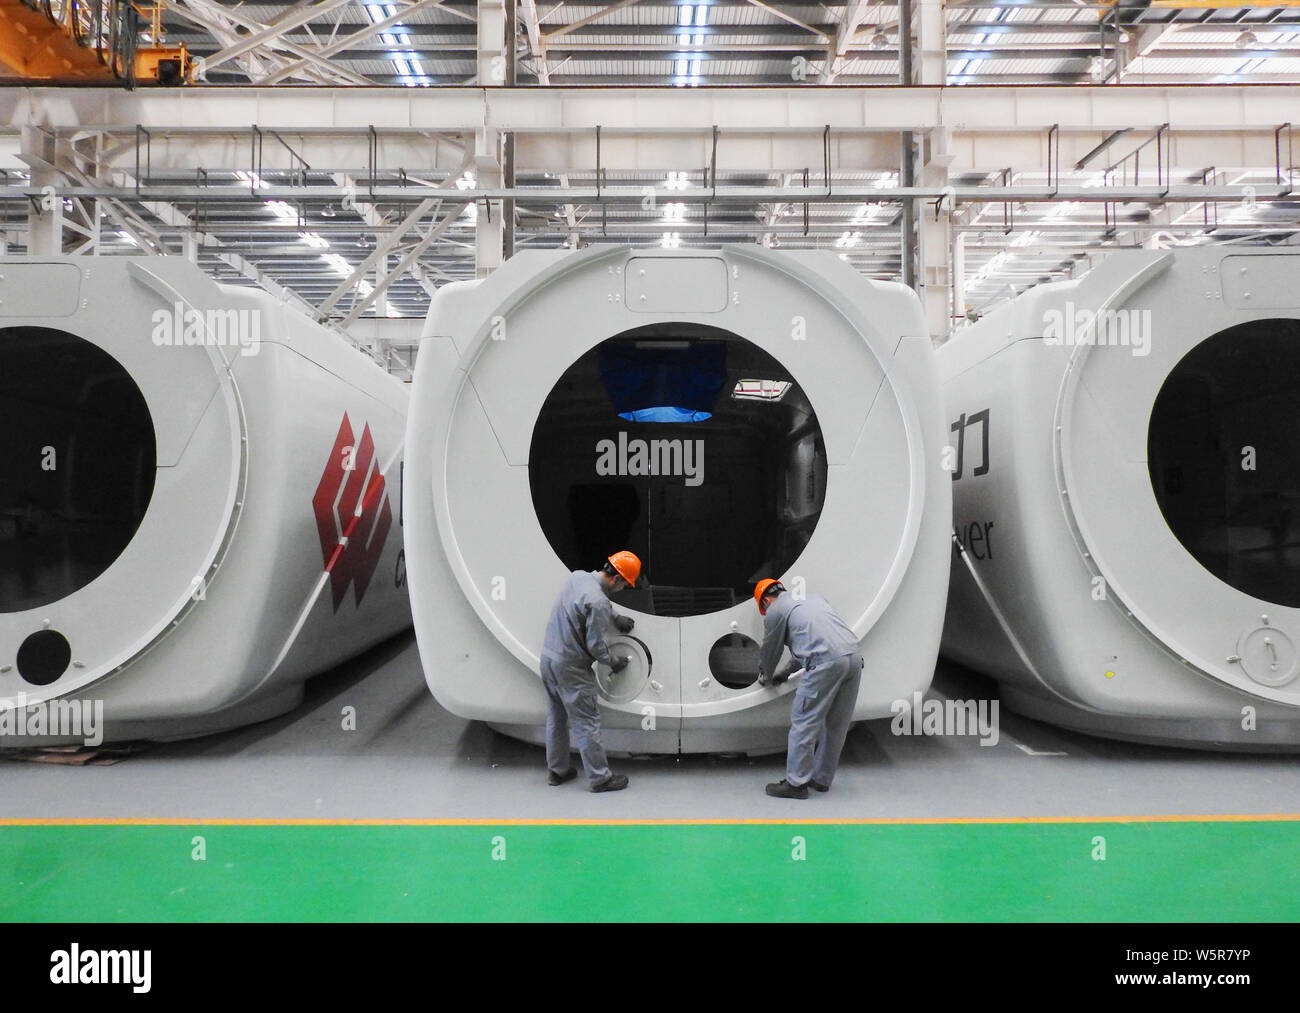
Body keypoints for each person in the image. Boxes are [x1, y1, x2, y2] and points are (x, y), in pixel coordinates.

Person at [540, 551, 641, 792]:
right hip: (572, 669)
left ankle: (558, 771)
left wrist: (613, 616)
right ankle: (600, 778)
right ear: (617, 579)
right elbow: (595, 645)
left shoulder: (578, 577)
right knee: (586, 722)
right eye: (625, 585)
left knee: (556, 716)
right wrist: (613, 661)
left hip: (549, 660)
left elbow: (588, 601)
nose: (623, 590)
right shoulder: (599, 602)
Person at [754, 578, 863, 799]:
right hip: (853, 658)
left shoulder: (776, 610)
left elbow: (770, 649)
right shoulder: (812, 599)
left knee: (804, 722)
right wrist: (785, 672)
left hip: (825, 663)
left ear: (766, 600)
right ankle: (821, 779)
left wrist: (765, 674)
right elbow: (812, 641)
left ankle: (796, 784)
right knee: (836, 724)